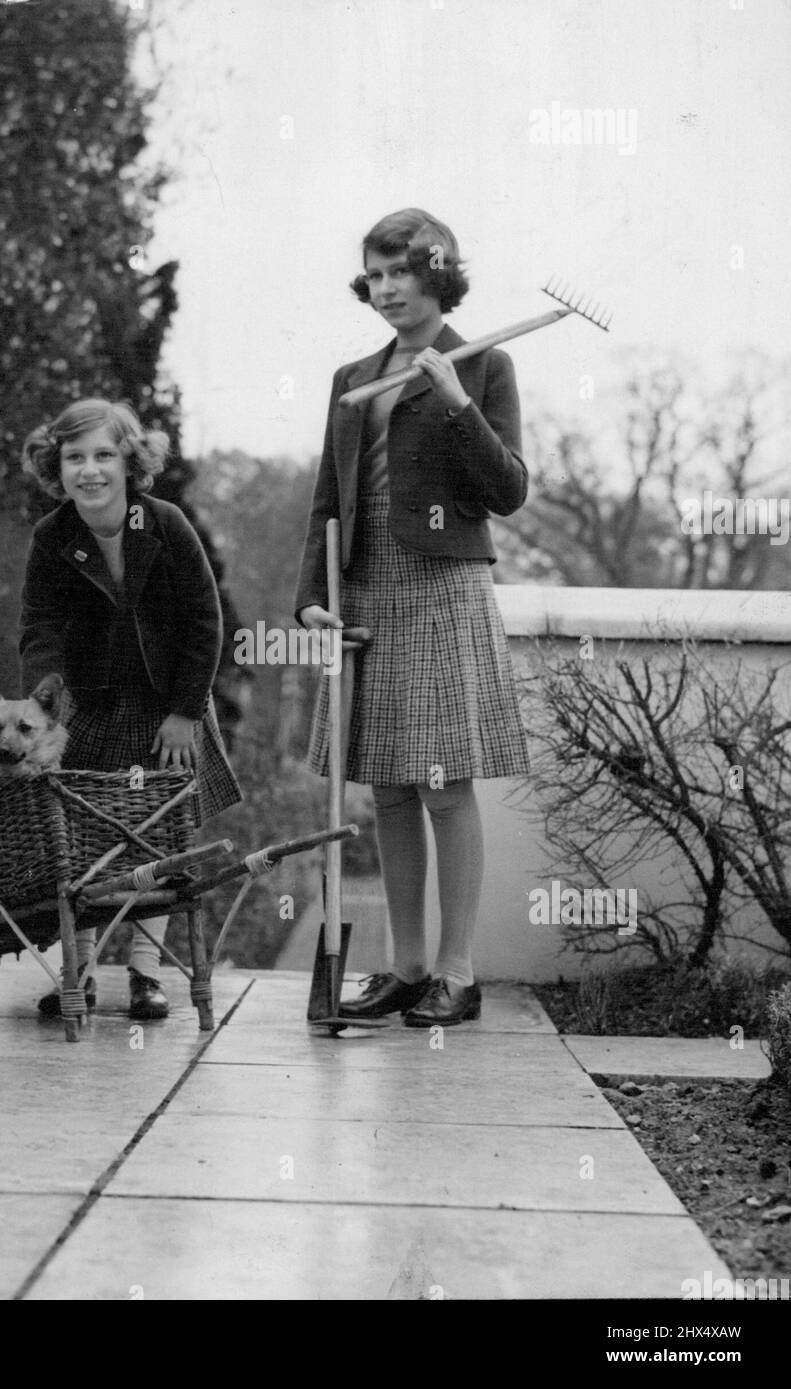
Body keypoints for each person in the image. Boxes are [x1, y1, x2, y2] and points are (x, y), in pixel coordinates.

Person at [294, 209, 530, 1026]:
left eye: (401, 271)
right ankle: (403, 968)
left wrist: (457, 401)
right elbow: (328, 496)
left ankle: (456, 976)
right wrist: (311, 598)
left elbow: (506, 490)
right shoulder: (351, 376)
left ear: (437, 275)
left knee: (439, 785)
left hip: (442, 584)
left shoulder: (484, 363)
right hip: (365, 586)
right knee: (388, 787)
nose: (386, 288)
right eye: (375, 274)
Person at [18, 398, 241, 1019]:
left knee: (156, 839)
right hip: (87, 710)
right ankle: (80, 972)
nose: (90, 471)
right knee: (84, 838)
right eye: (74, 458)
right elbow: (41, 627)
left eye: (104, 456)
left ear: (130, 461)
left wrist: (185, 710)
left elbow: (204, 620)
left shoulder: (165, 524)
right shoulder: (52, 537)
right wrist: (44, 710)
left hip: (167, 709)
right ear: (55, 466)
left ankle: (146, 975)